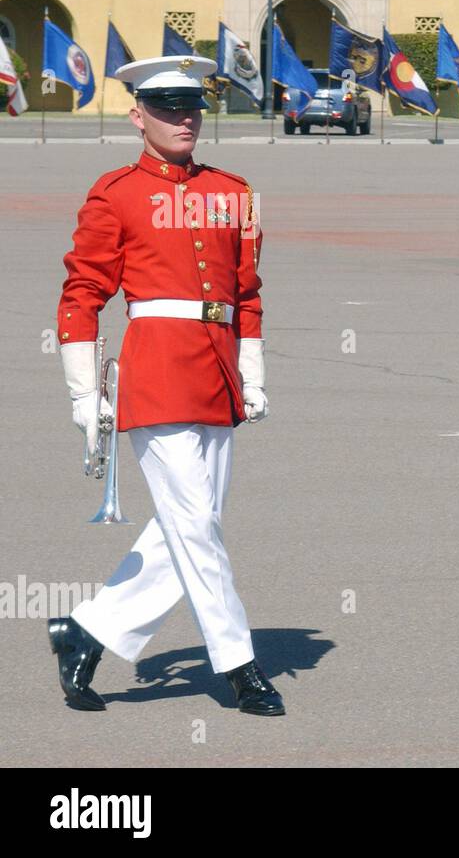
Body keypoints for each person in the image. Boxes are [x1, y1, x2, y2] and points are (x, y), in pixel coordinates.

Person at [50, 56, 283, 715]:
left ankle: (86, 631)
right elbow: (81, 296)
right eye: (168, 107)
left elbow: (246, 293)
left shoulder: (234, 190)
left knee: (191, 525)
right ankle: (238, 663)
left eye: (193, 106)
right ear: (138, 115)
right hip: (154, 373)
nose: (185, 118)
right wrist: (82, 394)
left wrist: (252, 372)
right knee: (196, 529)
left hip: (215, 370)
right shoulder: (115, 192)